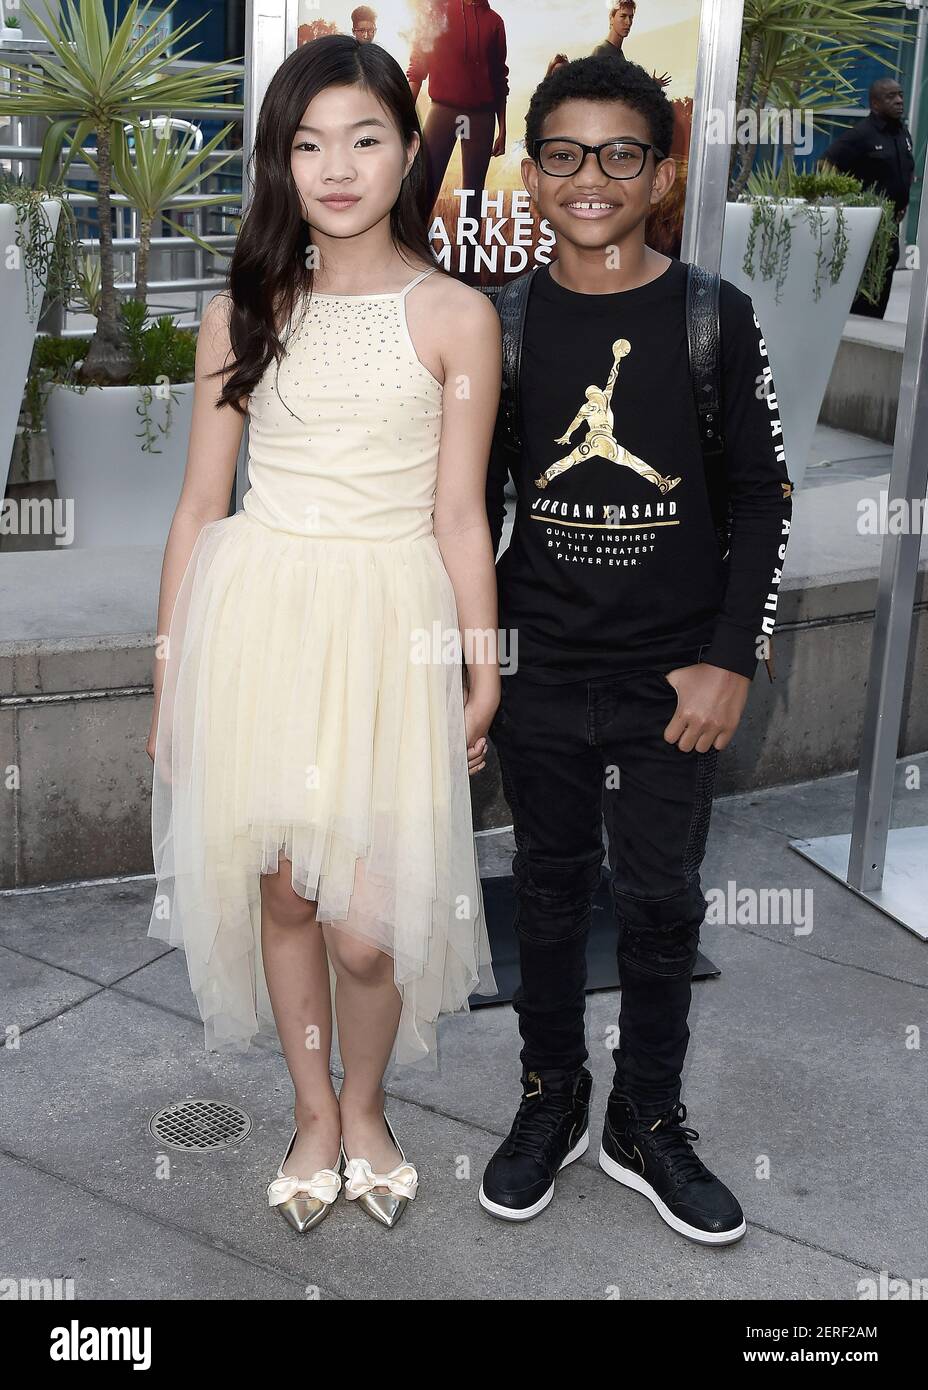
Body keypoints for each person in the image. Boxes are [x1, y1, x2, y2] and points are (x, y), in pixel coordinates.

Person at [146, 34, 501, 1234]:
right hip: (259, 628)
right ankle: (315, 1111)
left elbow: (459, 512)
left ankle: (368, 1100)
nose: (337, 167)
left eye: (364, 138)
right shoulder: (241, 310)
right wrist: (169, 682)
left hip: (388, 632)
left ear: (409, 149)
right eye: (308, 144)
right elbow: (199, 508)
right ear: (279, 163)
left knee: (366, 924)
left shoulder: (455, 314)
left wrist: (479, 666)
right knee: (284, 901)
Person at [481, 57, 793, 1243]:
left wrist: (730, 658)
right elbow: (462, 505)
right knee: (549, 892)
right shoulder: (498, 318)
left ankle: (645, 1117)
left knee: (661, 898)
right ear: (530, 169)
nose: (591, 178)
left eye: (621, 154)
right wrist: (473, 663)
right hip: (540, 670)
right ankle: (550, 1097)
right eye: (564, 154)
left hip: (676, 682)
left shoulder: (714, 314)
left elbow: (764, 496)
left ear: (659, 172)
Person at [821, 77, 915, 319]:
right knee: (862, 293)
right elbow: (826, 164)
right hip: (866, 229)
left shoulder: (902, 133)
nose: (899, 101)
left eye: (900, 95)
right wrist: (845, 203)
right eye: (891, 97)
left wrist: (902, 200)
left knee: (882, 285)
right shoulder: (861, 135)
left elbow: (906, 167)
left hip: (891, 227)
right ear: (875, 104)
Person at [406, 0, 509, 217]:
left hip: (482, 116)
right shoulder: (438, 10)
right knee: (424, 188)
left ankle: (469, 251)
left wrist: (503, 129)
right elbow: (417, 68)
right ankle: (409, 249)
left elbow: (500, 79)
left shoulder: (495, 21)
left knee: (473, 197)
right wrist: (403, 115)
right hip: (442, 110)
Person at [593, 1, 670, 88]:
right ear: (611, 18)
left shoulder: (619, 53)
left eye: (631, 17)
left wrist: (651, 85)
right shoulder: (601, 51)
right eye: (623, 16)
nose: (628, 22)